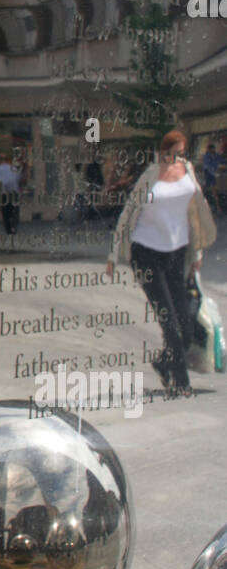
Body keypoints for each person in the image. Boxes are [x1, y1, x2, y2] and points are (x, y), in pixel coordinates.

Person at [108, 129, 216, 394]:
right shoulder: (150, 176)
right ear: (161, 152)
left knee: (186, 324)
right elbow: (128, 213)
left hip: (176, 254)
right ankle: (181, 383)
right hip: (146, 254)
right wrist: (113, 254)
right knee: (170, 322)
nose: (175, 158)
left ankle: (163, 362)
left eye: (180, 153)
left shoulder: (188, 171)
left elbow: (195, 216)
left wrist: (197, 255)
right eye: (171, 153)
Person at [0, 155, 21, 235]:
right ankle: (14, 227)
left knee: (5, 212)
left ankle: (8, 229)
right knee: (14, 210)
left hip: (3, 193)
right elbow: (17, 180)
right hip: (13, 193)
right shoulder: (13, 169)